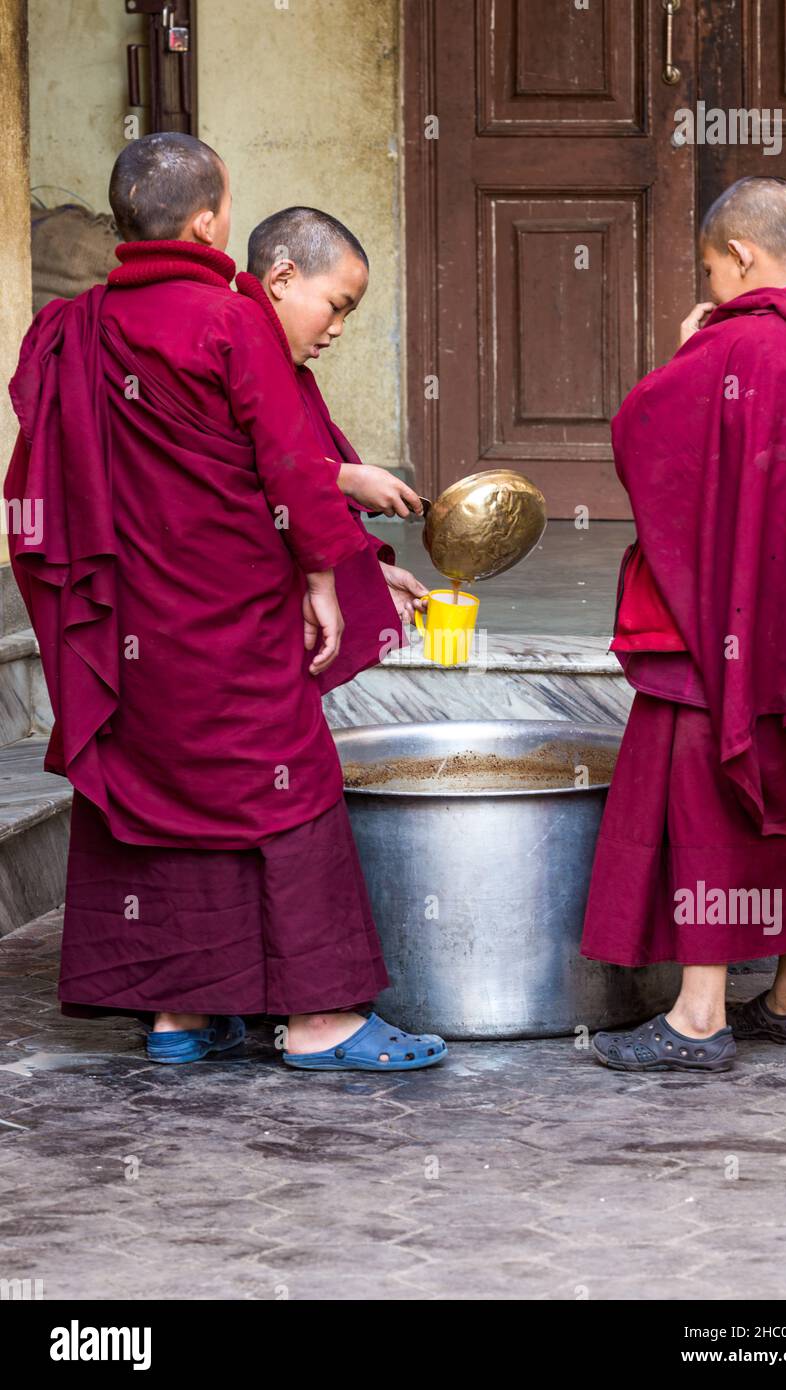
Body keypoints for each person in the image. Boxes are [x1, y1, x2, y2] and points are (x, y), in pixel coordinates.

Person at [4, 132, 447, 1073]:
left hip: (130, 620)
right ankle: (323, 1019)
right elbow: (284, 462)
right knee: (287, 789)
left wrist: (349, 554)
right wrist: (328, 576)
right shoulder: (230, 318)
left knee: (153, 795)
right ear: (209, 221)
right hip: (233, 615)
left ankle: (179, 1015)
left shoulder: (70, 329)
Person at [581, 176, 786, 1072]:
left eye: (710, 269)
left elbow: (640, 437)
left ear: (739, 257)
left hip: (717, 628)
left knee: (703, 789)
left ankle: (699, 1015)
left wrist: (683, 353)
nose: (709, 287)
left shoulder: (729, 345)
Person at [236, 205, 429, 693]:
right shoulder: (233, 345)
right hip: (231, 615)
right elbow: (235, 469)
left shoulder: (290, 372)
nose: (339, 327)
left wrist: (371, 572)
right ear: (282, 277)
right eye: (336, 305)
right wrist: (347, 477)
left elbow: (291, 480)